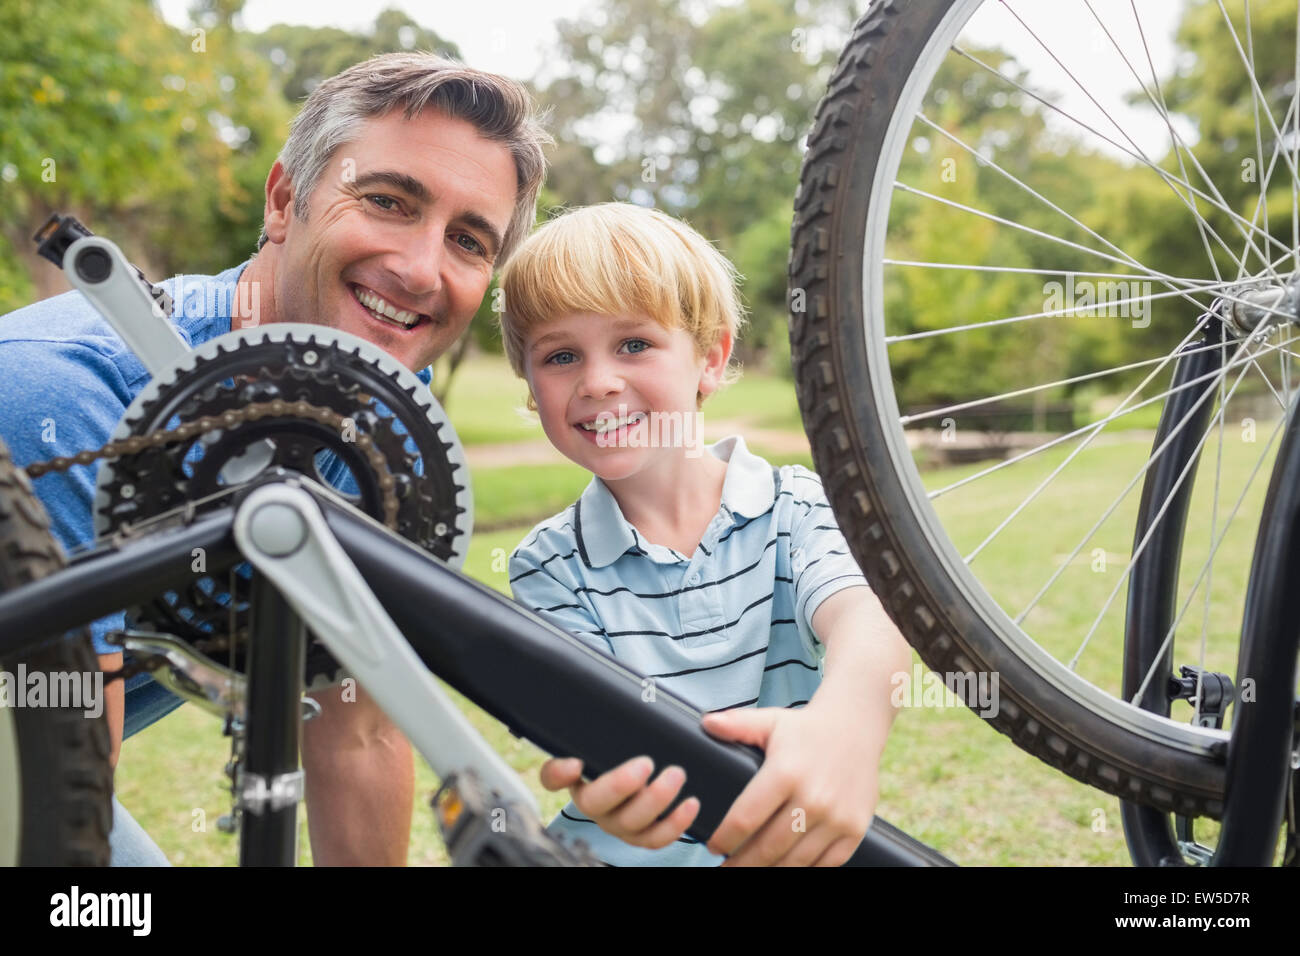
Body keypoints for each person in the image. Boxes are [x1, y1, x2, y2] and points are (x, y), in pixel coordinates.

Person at [0, 51, 551, 865]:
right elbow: (58, 802)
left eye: (468, 241)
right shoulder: (64, 394)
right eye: (389, 201)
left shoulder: (379, 417)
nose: (420, 269)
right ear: (285, 200)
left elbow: (355, 725)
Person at [497, 202, 913, 866]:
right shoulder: (547, 567)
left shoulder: (796, 507)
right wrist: (608, 784)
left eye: (634, 344)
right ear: (530, 388)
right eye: (561, 355)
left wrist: (849, 728)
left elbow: (870, 615)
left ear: (711, 359)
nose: (598, 382)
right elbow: (591, 731)